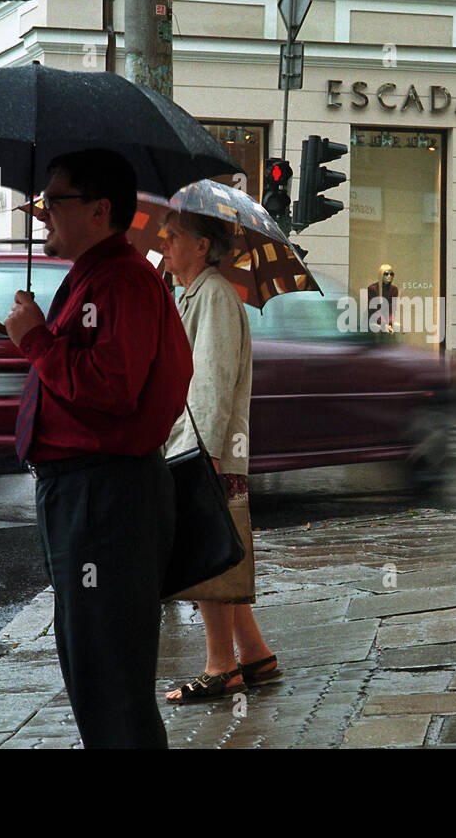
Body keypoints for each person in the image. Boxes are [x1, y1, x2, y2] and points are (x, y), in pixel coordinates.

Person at [3, 148, 193, 748]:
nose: (42, 216)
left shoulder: (122, 280)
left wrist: (36, 340)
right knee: (95, 668)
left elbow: (112, 387)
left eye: (53, 202)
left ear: (98, 209)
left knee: (107, 676)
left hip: (104, 497)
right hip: (87, 494)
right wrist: (38, 333)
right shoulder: (97, 277)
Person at [159, 208, 280, 702]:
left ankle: (220, 667)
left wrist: (202, 452)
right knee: (222, 549)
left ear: (202, 246)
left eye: (174, 236)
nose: (164, 243)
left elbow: (210, 378)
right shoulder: (191, 295)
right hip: (200, 445)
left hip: (207, 449)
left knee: (208, 553)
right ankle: (254, 654)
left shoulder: (212, 295)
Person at [366, 263, 398, 333]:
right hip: (374, 320)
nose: (389, 276)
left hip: (387, 320)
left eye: (391, 274)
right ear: (381, 275)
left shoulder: (394, 289)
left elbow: (392, 309)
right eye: (386, 274)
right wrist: (383, 323)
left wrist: (389, 323)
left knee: (398, 327)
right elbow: (373, 310)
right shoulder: (372, 289)